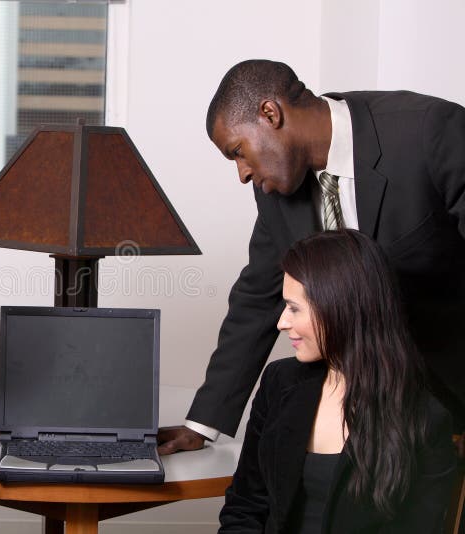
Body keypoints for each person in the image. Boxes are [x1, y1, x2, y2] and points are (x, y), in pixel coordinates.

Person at [157, 59, 465, 456]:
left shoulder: (428, 131)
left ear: (270, 114)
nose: (243, 174)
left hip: (450, 395)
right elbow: (257, 299)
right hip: (360, 423)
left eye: (238, 152)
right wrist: (201, 424)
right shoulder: (276, 195)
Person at [219, 230, 456, 532]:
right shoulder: (279, 382)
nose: (281, 322)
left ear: (340, 307)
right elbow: (244, 506)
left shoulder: (425, 418)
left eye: (294, 308)